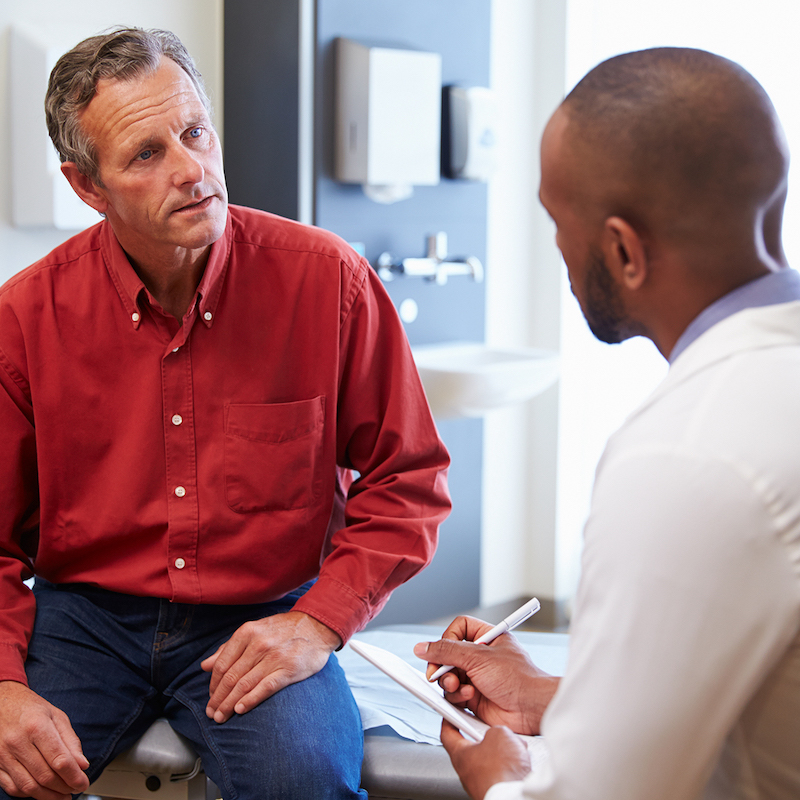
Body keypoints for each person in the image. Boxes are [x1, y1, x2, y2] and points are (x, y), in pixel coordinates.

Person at [0, 27, 451, 800]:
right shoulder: (25, 316)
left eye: (195, 133)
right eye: (147, 154)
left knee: (303, 781)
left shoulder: (328, 281)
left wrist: (318, 623)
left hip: (262, 610)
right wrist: (2, 686)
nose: (192, 171)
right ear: (88, 188)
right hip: (84, 619)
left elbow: (408, 480)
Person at [414, 47, 800, 800]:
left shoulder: (688, 455)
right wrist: (553, 697)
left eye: (558, 222)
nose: (556, 249)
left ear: (623, 250)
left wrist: (497, 785)